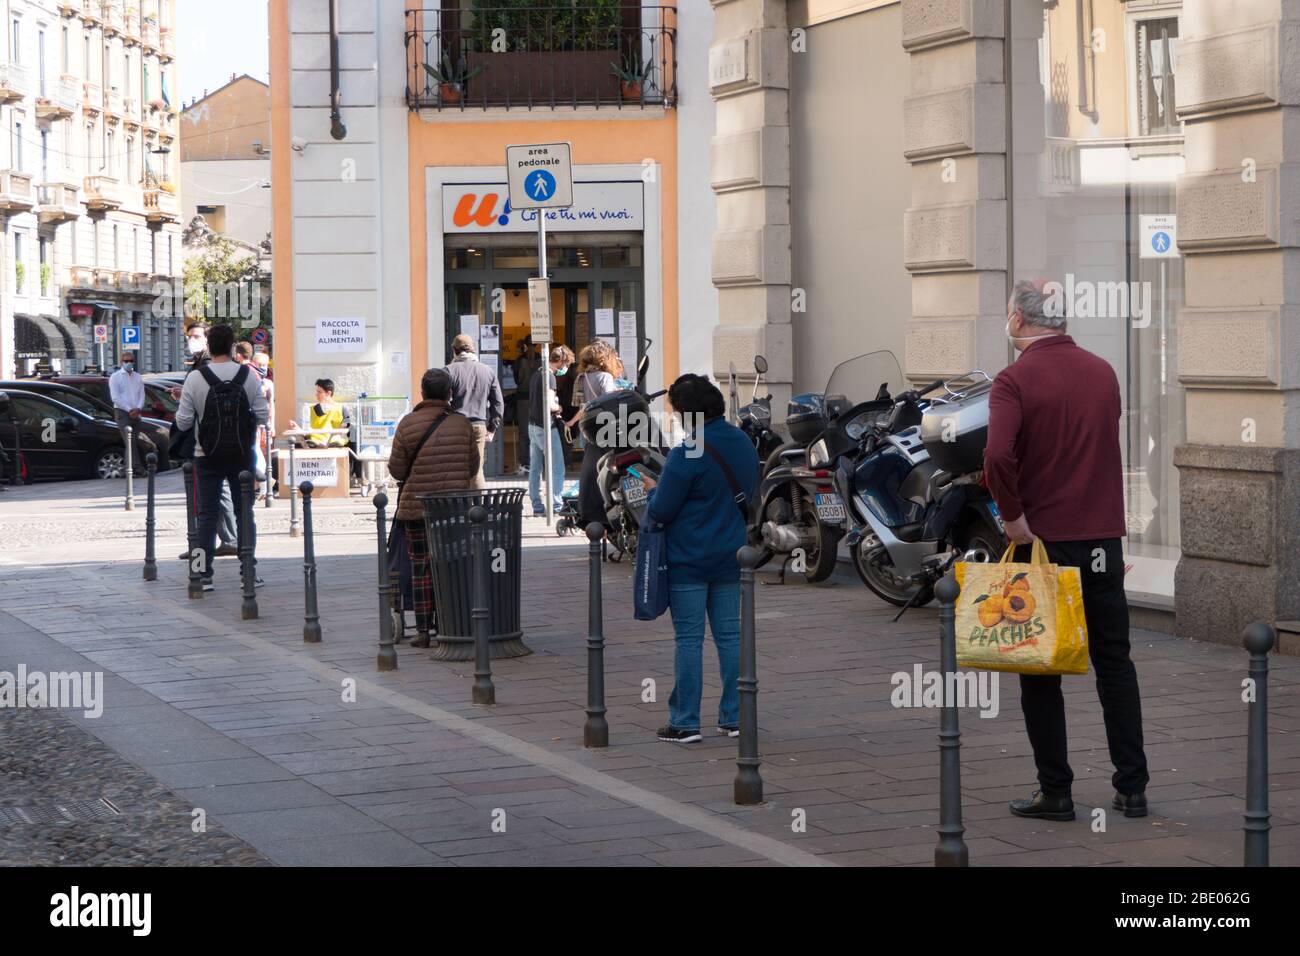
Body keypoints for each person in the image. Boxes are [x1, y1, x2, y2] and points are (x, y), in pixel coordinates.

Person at [985, 278, 1149, 821]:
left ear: (1020, 320)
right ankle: (1133, 786)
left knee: (1041, 669)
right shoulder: (1102, 371)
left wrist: (1014, 519)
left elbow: (997, 458)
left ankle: (1056, 791)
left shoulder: (1014, 380)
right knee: (1114, 662)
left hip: (1045, 543)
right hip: (1102, 539)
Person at [640, 374, 759, 744]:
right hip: (732, 555)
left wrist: (654, 490)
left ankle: (685, 721)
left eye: (676, 413)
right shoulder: (742, 440)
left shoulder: (688, 450)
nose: (673, 419)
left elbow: (662, 509)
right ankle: (734, 717)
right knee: (730, 637)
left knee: (689, 639)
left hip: (689, 558)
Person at [386, 368, 479, 648]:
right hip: (453, 508)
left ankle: (424, 631)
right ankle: (451, 623)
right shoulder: (462, 424)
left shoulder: (407, 423)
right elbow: (473, 466)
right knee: (451, 564)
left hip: (417, 509)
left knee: (421, 567)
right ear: (450, 394)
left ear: (423, 392)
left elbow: (397, 469)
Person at [174, 323, 269, 592]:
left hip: (206, 455)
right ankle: (248, 573)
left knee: (206, 515)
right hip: (241, 454)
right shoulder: (248, 376)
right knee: (244, 513)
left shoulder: (195, 378)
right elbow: (262, 416)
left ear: (209, 347)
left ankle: (203, 575)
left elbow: (182, 423)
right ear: (231, 347)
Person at [171, 322, 239, 560]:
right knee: (213, 493)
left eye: (197, 336)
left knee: (213, 493)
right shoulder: (200, 364)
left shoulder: (207, 366)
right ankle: (223, 541)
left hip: (207, 440)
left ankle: (220, 543)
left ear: (208, 341)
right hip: (213, 438)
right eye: (190, 336)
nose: (192, 339)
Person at [567, 341, 624, 529]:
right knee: (609, 468)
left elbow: (580, 406)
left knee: (592, 468)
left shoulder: (581, 378)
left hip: (588, 429)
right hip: (606, 429)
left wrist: (574, 422)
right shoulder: (605, 377)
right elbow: (611, 402)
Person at [445, 333, 503, 488]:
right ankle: (479, 509)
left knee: (456, 468)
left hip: (455, 425)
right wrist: (492, 428)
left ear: (455, 350)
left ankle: (461, 507)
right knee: (476, 469)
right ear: (473, 350)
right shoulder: (487, 371)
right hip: (478, 425)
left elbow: (443, 401)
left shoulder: (449, 371)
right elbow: (498, 403)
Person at [528, 345, 573, 517]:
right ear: (560, 361)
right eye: (566, 364)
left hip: (533, 426)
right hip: (546, 427)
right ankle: (556, 505)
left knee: (535, 468)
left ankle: (537, 506)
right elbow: (550, 404)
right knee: (558, 468)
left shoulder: (536, 374)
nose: (566, 368)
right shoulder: (549, 377)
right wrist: (559, 406)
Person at [108, 350, 155, 475]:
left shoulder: (137, 376)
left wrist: (138, 408)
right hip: (122, 412)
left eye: (131, 361)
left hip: (136, 412)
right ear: (121, 362)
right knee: (130, 442)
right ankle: (138, 469)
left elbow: (142, 394)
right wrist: (130, 410)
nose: (129, 363)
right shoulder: (115, 377)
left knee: (133, 441)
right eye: (126, 361)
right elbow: (116, 398)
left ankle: (128, 470)